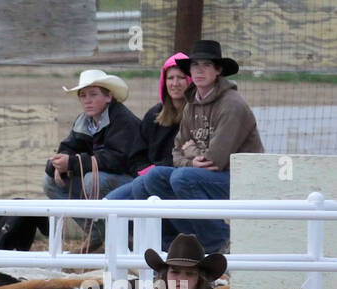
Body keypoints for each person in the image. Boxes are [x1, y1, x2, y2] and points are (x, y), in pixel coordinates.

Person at [141, 41, 264, 253]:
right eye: (195, 65)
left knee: (182, 178)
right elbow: (176, 152)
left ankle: (219, 241)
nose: (199, 70)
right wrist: (190, 158)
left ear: (218, 70)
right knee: (155, 177)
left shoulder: (232, 104)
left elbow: (214, 161)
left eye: (206, 65)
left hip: (240, 180)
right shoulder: (193, 103)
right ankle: (194, 241)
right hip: (208, 177)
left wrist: (191, 153)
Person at [43, 69, 146, 248]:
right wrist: (56, 166)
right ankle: (99, 232)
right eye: (83, 96)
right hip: (110, 179)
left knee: (93, 180)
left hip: (133, 182)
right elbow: (68, 148)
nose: (87, 100)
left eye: (93, 94)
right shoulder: (84, 121)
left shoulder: (123, 121)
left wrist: (72, 163)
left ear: (108, 97)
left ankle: (122, 237)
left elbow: (116, 160)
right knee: (49, 182)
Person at [104, 52, 191, 247]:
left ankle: (167, 247)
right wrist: (144, 170)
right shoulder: (154, 114)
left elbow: (186, 155)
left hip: (175, 180)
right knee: (110, 204)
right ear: (163, 82)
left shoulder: (196, 115)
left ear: (190, 81)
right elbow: (136, 155)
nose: (175, 83)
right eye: (170, 78)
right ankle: (132, 253)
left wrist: (155, 170)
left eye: (181, 78)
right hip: (146, 179)